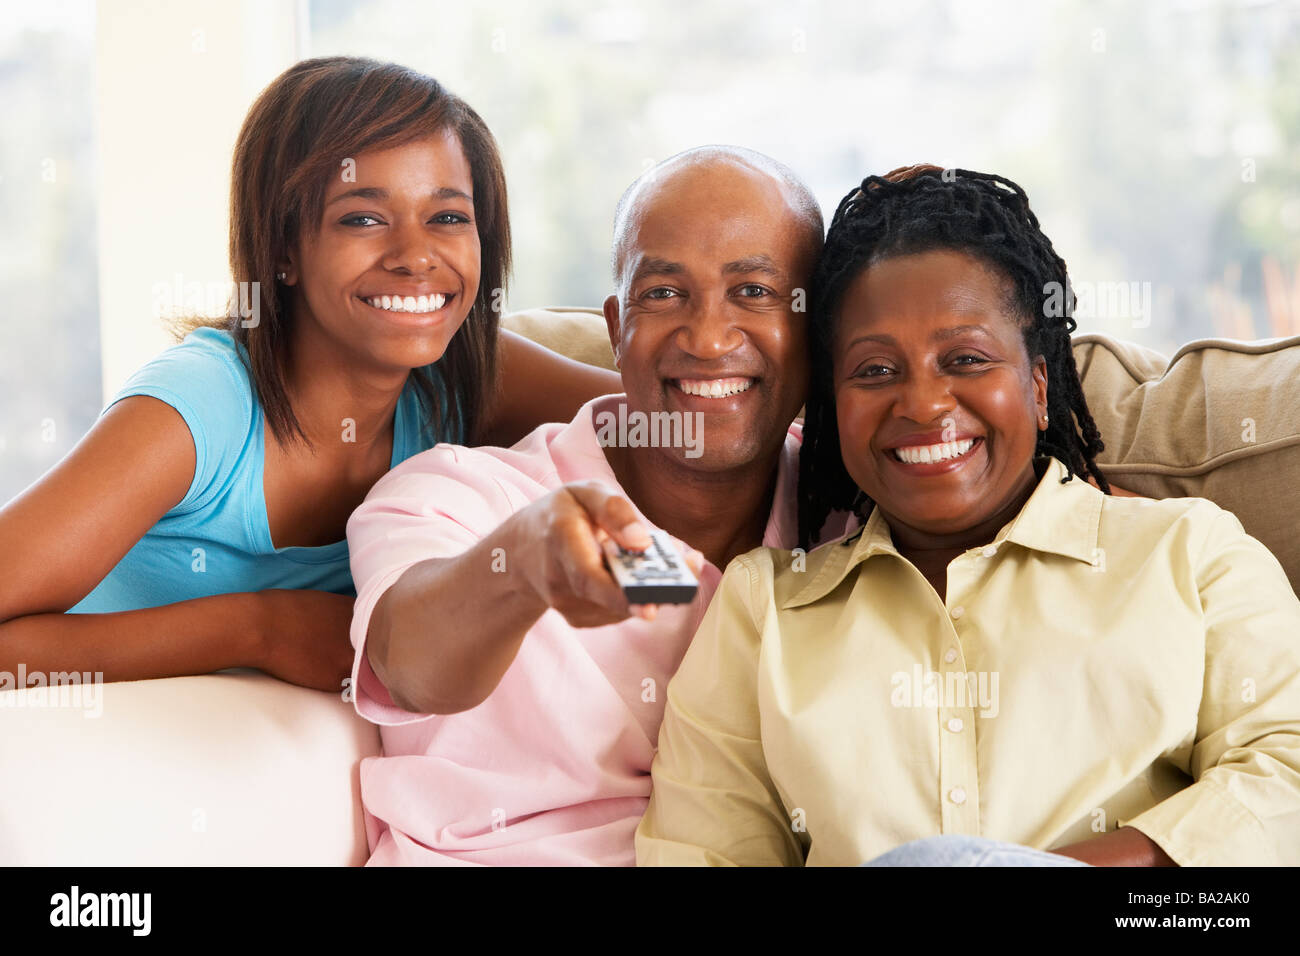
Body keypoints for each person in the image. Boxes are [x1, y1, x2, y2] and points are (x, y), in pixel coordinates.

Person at [637, 165, 1300, 866]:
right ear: (831, 408)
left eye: (965, 359)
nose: (922, 405)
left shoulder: (1189, 554)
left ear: (1038, 386)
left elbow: (1287, 768)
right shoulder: (763, 607)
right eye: (875, 370)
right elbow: (698, 851)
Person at [0, 57, 618, 691]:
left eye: (449, 217)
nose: (415, 257)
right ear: (285, 251)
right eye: (363, 218)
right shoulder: (195, 410)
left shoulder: (464, 375)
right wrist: (260, 629)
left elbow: (679, 429)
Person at [345, 145, 831, 865]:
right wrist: (523, 568)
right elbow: (411, 665)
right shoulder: (459, 495)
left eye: (754, 292)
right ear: (615, 327)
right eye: (663, 294)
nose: (706, 338)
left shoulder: (855, 521)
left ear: (818, 331)